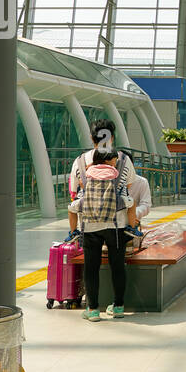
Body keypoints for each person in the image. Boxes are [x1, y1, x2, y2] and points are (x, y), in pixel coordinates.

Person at [66, 119, 139, 321]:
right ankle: (118, 306)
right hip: (117, 224)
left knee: (91, 266)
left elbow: (74, 192)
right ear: (112, 136)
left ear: (92, 138)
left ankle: (93, 309)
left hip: (89, 224)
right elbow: (129, 187)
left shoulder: (80, 161)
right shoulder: (123, 159)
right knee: (117, 264)